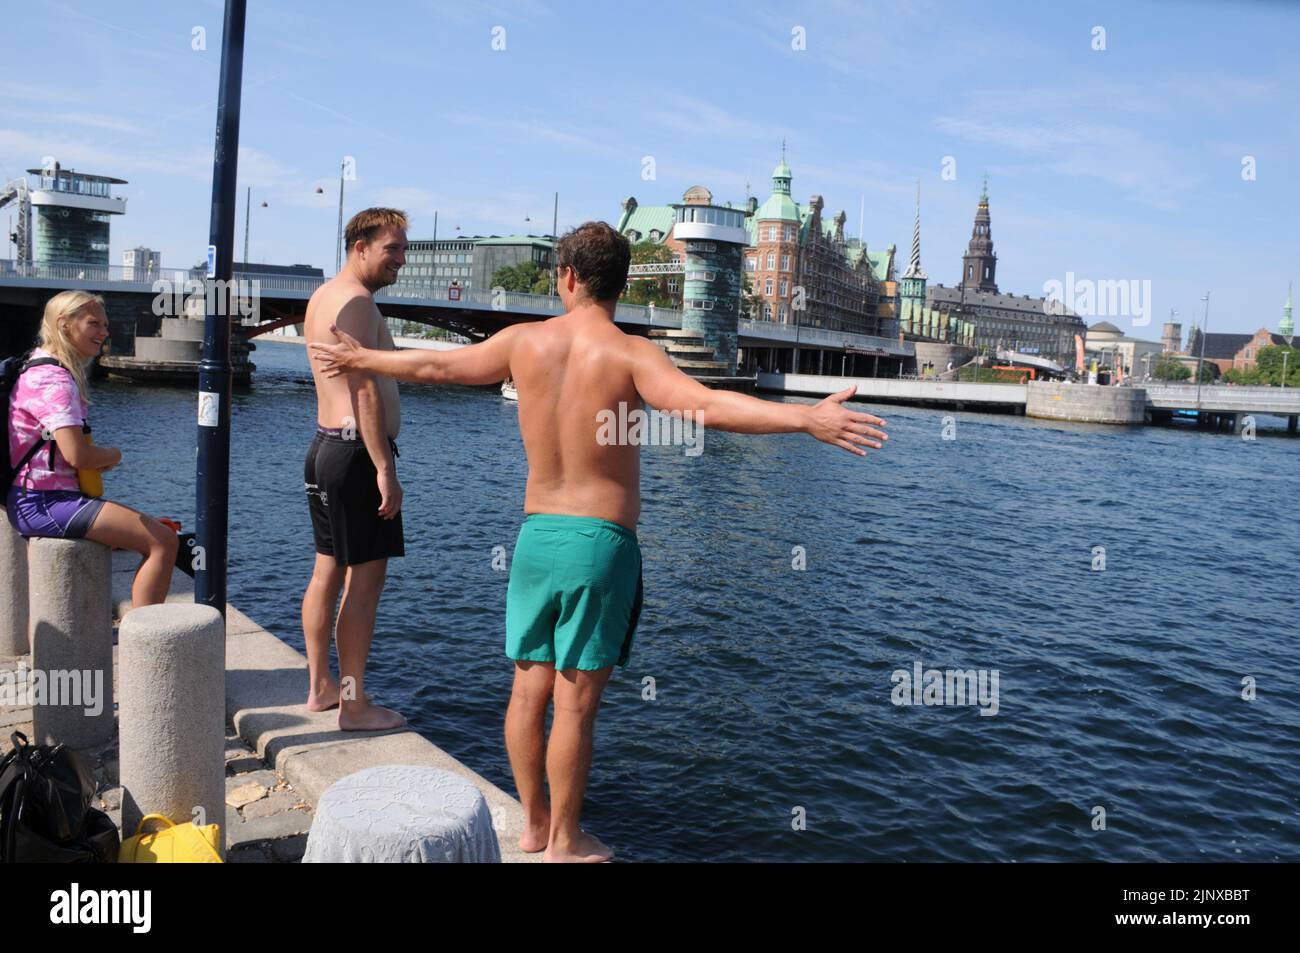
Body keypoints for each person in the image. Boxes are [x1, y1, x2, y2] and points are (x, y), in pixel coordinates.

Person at [310, 221, 888, 862]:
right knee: (576, 705)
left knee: (527, 690)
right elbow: (706, 406)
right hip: (600, 543)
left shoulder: (523, 343)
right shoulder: (630, 352)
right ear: (619, 282)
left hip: (536, 538)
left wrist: (362, 359)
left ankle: (532, 825)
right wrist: (805, 417)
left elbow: (437, 365)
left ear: (567, 278)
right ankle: (563, 839)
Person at [300, 208, 408, 732]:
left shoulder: (322, 297)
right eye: (392, 249)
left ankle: (321, 685)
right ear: (359, 246)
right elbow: (364, 389)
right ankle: (354, 704)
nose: (401, 260)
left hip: (324, 447)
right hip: (358, 454)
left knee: (327, 570)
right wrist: (384, 467)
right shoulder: (358, 303)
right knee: (364, 584)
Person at [5, 291, 178, 608]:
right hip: (46, 502)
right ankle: (143, 644)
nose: (104, 332)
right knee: (163, 542)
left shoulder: (33, 365)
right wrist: (114, 455)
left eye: (106, 324)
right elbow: (78, 456)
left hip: (33, 496)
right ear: (64, 324)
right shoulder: (55, 381)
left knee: (154, 530)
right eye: (93, 323)